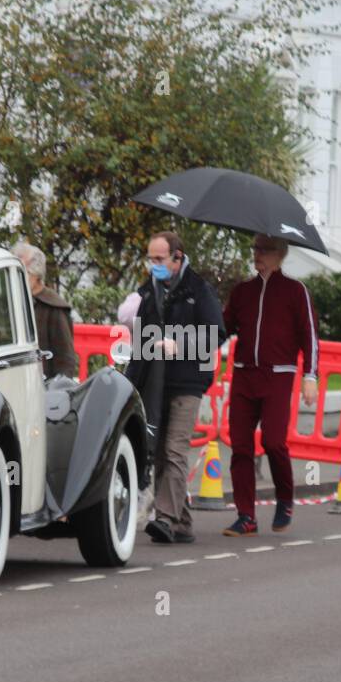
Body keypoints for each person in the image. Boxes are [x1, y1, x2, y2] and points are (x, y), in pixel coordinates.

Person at [120, 232, 224, 545]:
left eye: (159, 259)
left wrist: (179, 345)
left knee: (176, 449)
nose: (153, 266)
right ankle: (183, 522)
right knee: (161, 454)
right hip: (156, 383)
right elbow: (140, 343)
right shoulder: (149, 294)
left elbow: (215, 335)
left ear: (177, 258)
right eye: (150, 259)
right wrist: (129, 385)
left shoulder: (199, 290)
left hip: (188, 382)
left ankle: (164, 518)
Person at [221, 234, 319, 537]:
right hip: (243, 375)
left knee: (274, 442)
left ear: (281, 254)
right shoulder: (242, 291)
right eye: (255, 249)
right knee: (240, 446)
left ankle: (285, 498)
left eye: (264, 250)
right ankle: (246, 515)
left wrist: (310, 376)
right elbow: (223, 328)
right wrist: (189, 345)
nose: (257, 254)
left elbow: (310, 336)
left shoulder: (295, 291)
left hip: (278, 375)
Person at [13, 243, 77, 380]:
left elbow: (66, 359)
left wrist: (58, 391)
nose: (15, 278)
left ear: (35, 275)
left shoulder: (54, 307)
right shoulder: (14, 301)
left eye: (21, 272)